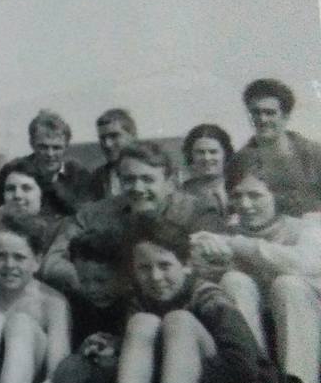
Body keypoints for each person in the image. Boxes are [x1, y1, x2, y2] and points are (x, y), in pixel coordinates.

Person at [191, 154, 321, 383]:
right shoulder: (227, 232)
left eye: (255, 195)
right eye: (237, 196)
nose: (245, 205)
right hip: (258, 324)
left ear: (277, 196)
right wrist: (209, 258)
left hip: (308, 319)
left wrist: (240, 246)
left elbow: (303, 263)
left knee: (288, 284)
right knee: (233, 280)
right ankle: (256, 379)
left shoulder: (306, 227)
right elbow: (198, 273)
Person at [42, 142, 223, 293]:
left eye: (147, 179)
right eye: (129, 180)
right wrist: (100, 280)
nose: (137, 187)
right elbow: (52, 263)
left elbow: (210, 267)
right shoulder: (96, 214)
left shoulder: (197, 210)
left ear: (170, 183)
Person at [117, 219, 275, 383]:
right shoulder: (139, 302)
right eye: (144, 268)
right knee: (142, 322)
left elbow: (244, 366)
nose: (155, 277)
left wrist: (191, 369)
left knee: (179, 320)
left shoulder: (209, 297)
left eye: (165, 266)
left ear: (187, 265)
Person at [0, 213, 71, 383]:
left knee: (20, 322)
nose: (9, 264)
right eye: (0, 256)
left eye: (19, 257)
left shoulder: (52, 302)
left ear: (37, 261)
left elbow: (56, 375)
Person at [50, 229, 128, 383]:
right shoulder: (77, 304)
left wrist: (119, 346)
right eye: (83, 280)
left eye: (101, 280)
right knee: (70, 367)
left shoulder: (132, 304)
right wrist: (85, 348)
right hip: (91, 374)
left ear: (124, 274)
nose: (92, 288)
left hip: (126, 374)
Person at [0, 110, 91, 220]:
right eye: (43, 147)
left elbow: (87, 217)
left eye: (56, 148)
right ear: (32, 144)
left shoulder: (78, 173)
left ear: (66, 146)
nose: (50, 154)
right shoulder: (14, 170)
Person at [232, 78, 321, 214]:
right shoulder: (240, 162)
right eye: (256, 112)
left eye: (270, 113)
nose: (262, 119)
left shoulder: (314, 155)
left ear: (285, 115)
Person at [180, 124, 234, 217]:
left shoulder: (238, 187)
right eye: (200, 152)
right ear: (190, 155)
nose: (207, 158)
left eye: (213, 152)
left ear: (225, 153)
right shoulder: (183, 193)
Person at [89, 109, 138, 200]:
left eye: (114, 136)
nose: (107, 144)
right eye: (102, 138)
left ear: (132, 136)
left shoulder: (152, 171)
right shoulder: (97, 178)